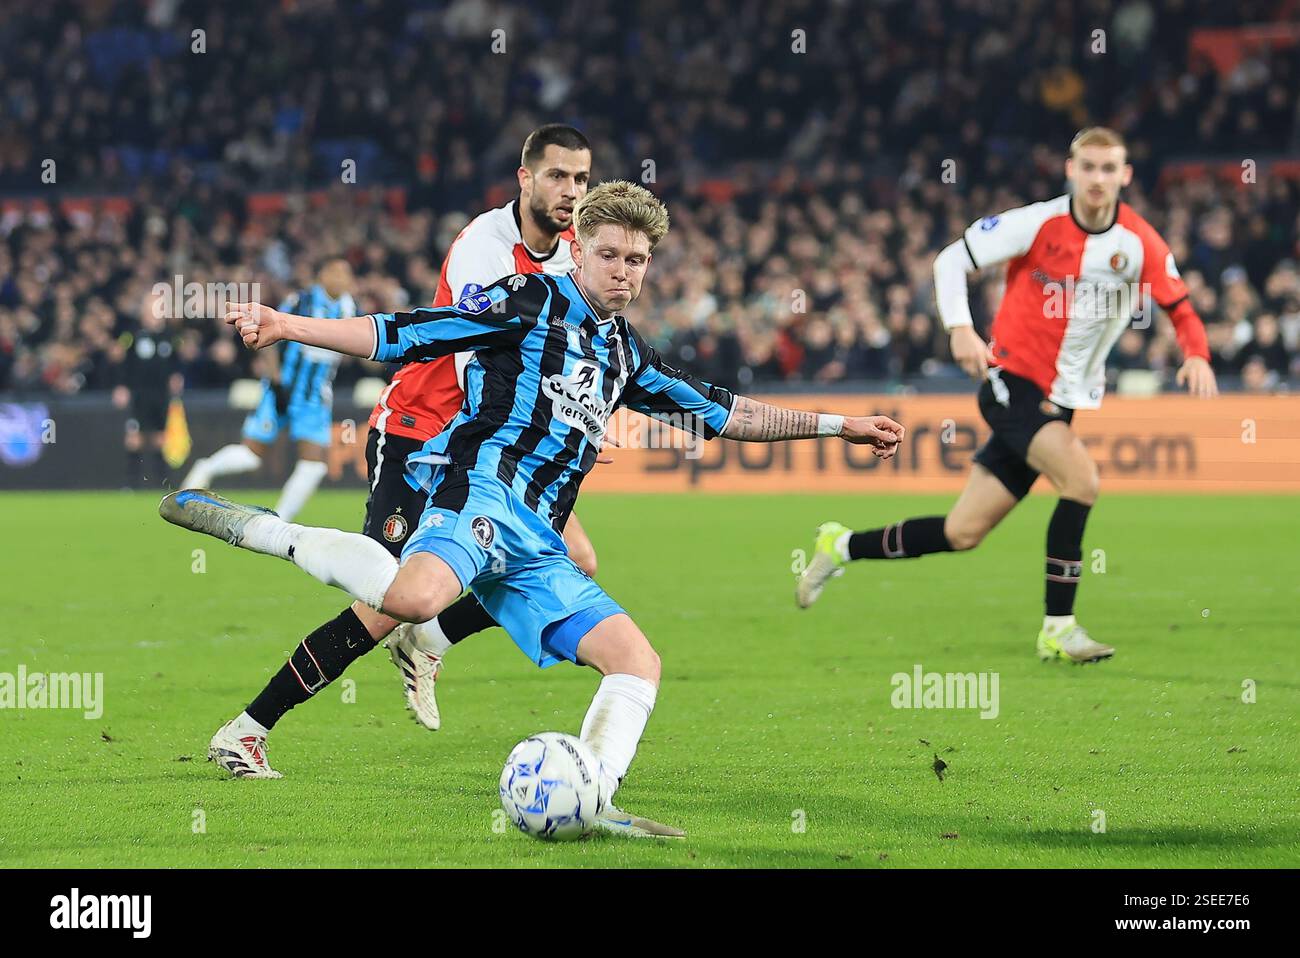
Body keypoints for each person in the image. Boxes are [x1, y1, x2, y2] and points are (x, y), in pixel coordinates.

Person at [161, 180, 906, 836]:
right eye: (610, 255)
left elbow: (723, 413)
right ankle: (270, 531)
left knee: (636, 661)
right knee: (413, 598)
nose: (623, 272)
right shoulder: (525, 303)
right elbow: (408, 331)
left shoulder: (625, 355)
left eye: (637, 261)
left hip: (537, 541)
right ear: (577, 251)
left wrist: (840, 425)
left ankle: (593, 797)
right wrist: (291, 325)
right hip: (475, 489)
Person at [196, 127, 596, 769]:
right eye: (557, 176)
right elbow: (471, 355)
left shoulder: (576, 253)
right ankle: (246, 729)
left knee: (571, 559)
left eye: (582, 179)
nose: (571, 192)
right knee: (386, 602)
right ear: (525, 178)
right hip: (420, 429)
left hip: (492, 441)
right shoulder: (483, 248)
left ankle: (431, 636)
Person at [796, 127, 1218, 663]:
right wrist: (960, 327)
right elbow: (950, 260)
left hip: (1061, 399)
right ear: (1070, 168)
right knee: (1082, 481)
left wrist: (1197, 353)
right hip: (1012, 384)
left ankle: (841, 545)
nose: (1097, 178)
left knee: (962, 531)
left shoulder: (1140, 243)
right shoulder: (1036, 223)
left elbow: (1180, 307)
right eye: (1088, 166)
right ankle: (1058, 629)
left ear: (1125, 175)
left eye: (1109, 169)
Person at [182, 258, 356, 521]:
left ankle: (279, 520)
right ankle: (205, 468)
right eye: (336, 272)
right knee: (252, 456)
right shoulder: (302, 301)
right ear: (323, 275)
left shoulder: (349, 307)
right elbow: (270, 336)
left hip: (315, 397)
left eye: (347, 273)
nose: (342, 278)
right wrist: (275, 383)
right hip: (283, 387)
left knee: (315, 466)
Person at [113, 289, 184, 488]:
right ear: (144, 310)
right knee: (135, 438)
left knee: (160, 438)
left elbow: (176, 363)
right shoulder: (132, 334)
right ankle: (131, 484)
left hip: (161, 394)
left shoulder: (170, 336)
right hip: (139, 393)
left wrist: (176, 377)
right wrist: (122, 386)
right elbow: (122, 363)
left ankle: (163, 483)